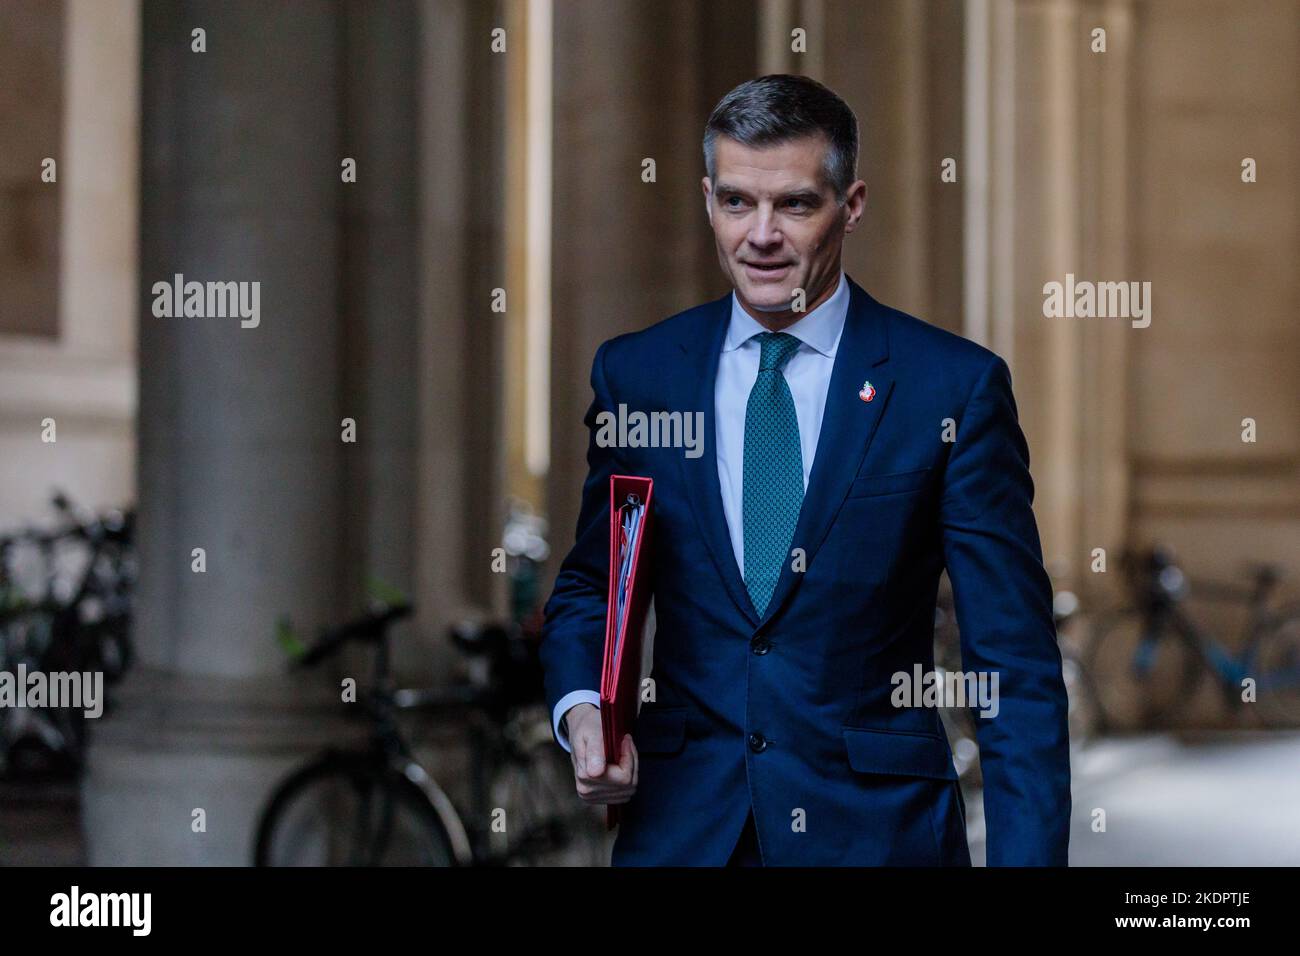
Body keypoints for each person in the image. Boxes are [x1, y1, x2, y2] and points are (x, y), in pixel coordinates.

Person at [539, 74, 1070, 866]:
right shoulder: (638, 375)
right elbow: (593, 583)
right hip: (684, 833)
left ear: (850, 205)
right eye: (735, 203)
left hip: (877, 836)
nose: (761, 235)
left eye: (794, 204)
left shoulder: (948, 388)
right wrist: (587, 708)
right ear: (707, 199)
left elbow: (1014, 666)